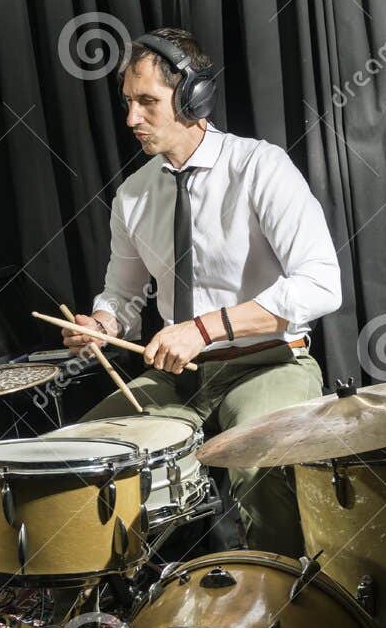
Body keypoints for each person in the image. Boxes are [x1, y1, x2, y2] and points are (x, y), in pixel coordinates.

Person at [61, 28, 341, 556]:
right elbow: (121, 298)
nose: (131, 119)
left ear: (194, 97)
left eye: (147, 102)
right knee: (85, 459)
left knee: (261, 468)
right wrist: (101, 326)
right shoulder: (133, 196)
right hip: (177, 380)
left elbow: (321, 284)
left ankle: (283, 614)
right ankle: (127, 618)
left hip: (269, 364)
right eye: (128, 103)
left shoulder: (261, 166)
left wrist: (206, 328)